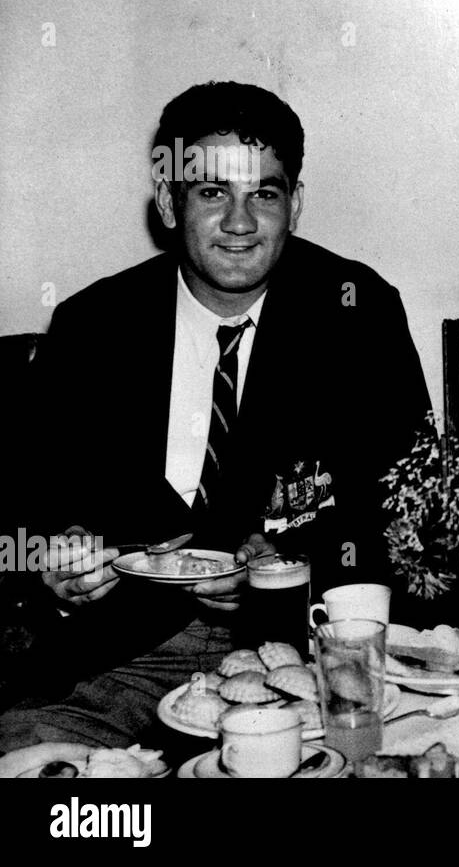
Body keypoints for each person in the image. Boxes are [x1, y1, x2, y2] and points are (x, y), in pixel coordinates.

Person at [0, 81, 430, 753]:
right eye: (211, 194)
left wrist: (288, 569)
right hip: (121, 657)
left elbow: (412, 514)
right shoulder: (92, 326)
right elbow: (23, 512)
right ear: (170, 203)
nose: (240, 222)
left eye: (264, 193)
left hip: (306, 658)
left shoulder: (357, 311)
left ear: (296, 204)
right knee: (35, 761)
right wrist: (56, 570)